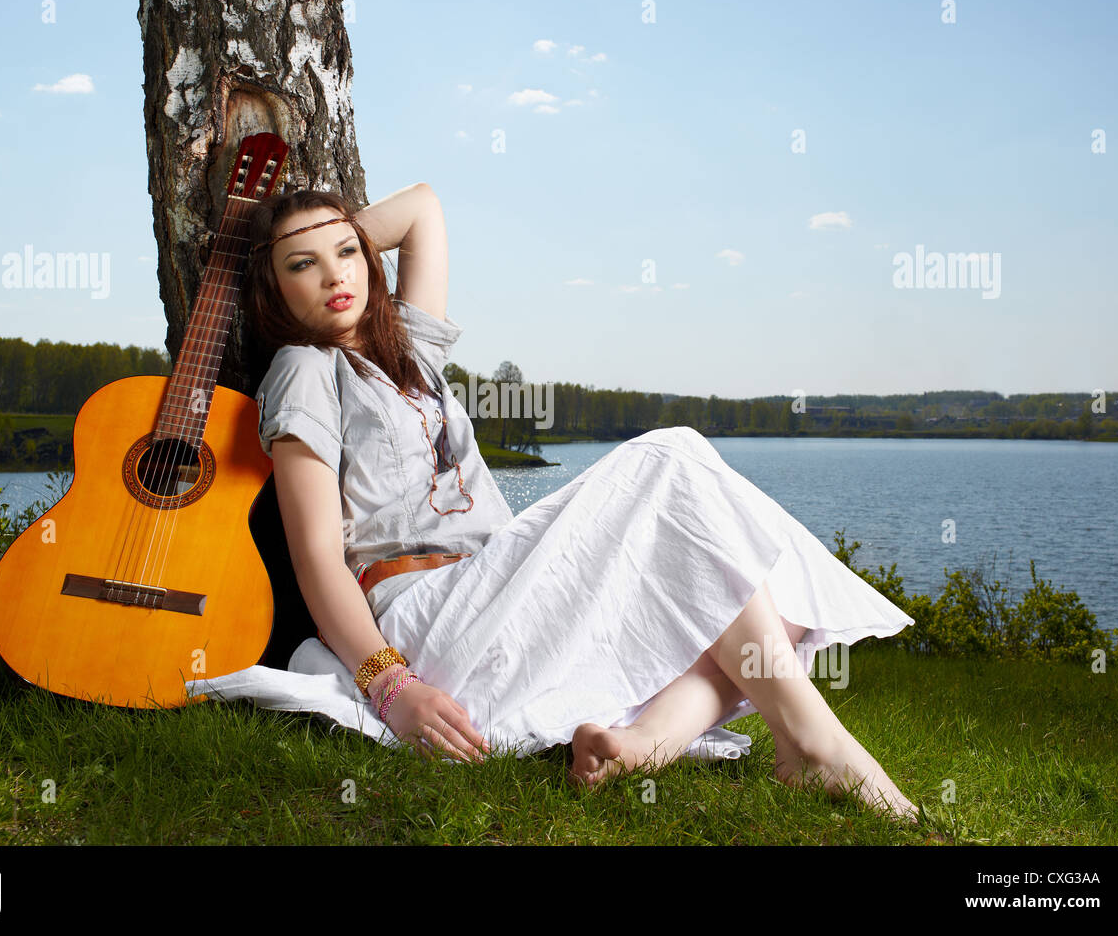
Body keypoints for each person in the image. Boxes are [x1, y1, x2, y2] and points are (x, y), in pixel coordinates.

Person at [225, 182, 920, 822]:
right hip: (432, 612)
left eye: (347, 252)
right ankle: (814, 739)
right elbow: (317, 553)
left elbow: (424, 209)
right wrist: (390, 687)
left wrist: (328, 235)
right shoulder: (303, 370)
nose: (335, 274)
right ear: (273, 291)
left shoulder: (409, 351)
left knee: (758, 575)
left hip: (502, 588)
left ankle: (645, 743)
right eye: (301, 266)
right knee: (671, 456)